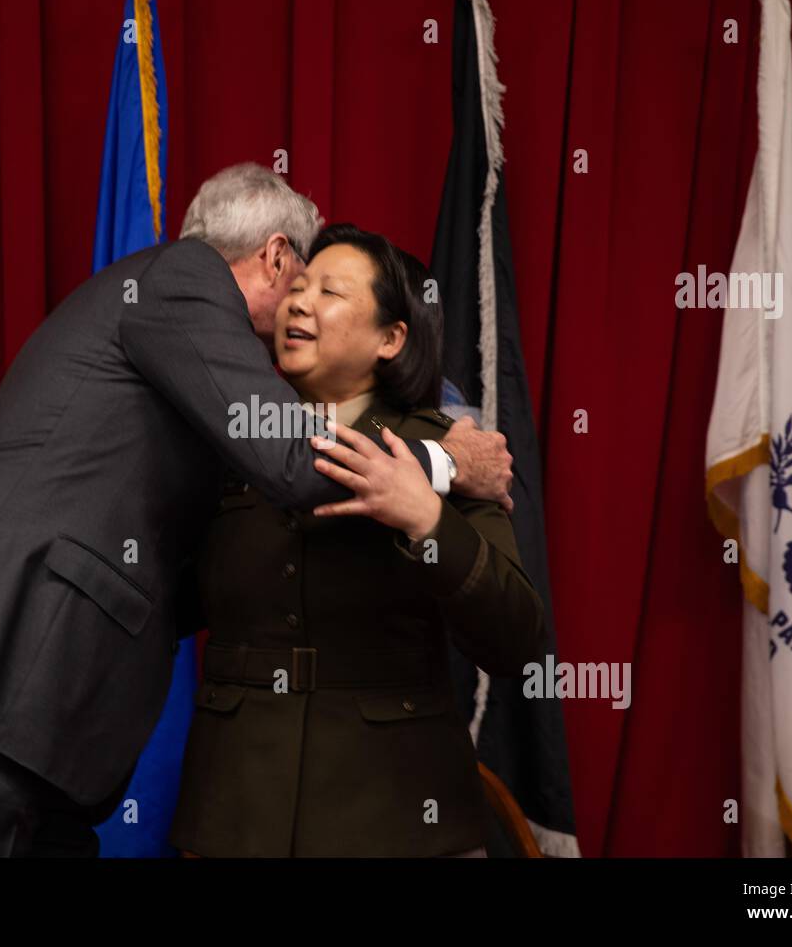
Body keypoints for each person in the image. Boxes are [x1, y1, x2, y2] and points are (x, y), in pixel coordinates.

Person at [0, 163, 515, 856]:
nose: (300, 309)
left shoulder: (180, 350)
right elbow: (289, 462)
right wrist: (449, 462)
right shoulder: (186, 280)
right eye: (303, 281)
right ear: (276, 255)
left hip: (34, 712)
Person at [166, 225, 544, 857]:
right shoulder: (226, 439)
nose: (299, 302)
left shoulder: (450, 448)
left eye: (330, 292)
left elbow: (516, 639)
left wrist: (426, 519)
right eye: (299, 286)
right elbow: (165, 599)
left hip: (396, 816)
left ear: (391, 338)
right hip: (234, 815)